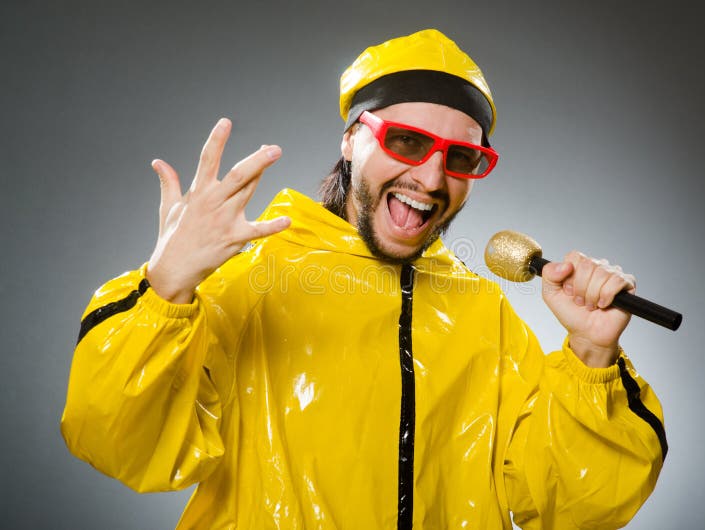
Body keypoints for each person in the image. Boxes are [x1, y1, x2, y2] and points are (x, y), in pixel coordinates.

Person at [61, 29, 666, 529]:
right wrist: (165, 290)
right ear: (353, 140)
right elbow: (121, 447)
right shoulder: (249, 280)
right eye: (407, 141)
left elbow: (571, 502)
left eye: (460, 158)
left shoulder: (483, 312)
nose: (431, 179)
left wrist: (591, 356)